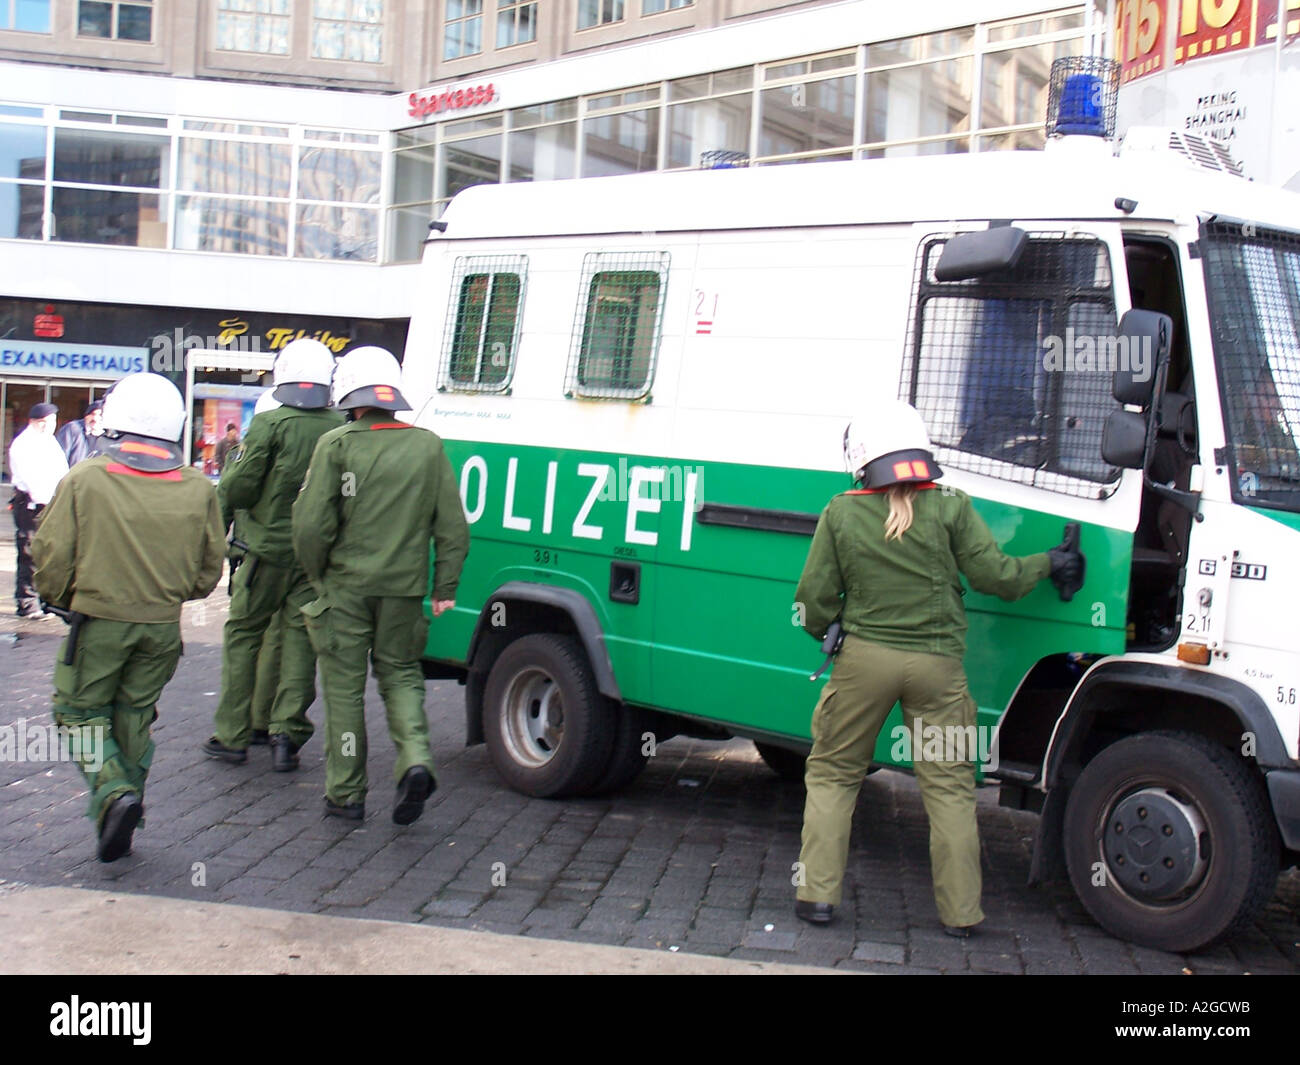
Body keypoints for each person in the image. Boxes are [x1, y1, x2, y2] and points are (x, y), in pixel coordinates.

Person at [792, 398, 1083, 936]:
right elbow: (999, 577)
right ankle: (961, 914)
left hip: (864, 666)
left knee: (833, 776)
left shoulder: (841, 510)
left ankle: (817, 897)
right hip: (938, 669)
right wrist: (1051, 563)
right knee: (948, 791)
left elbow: (810, 601)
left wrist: (827, 630)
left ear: (861, 457)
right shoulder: (951, 503)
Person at [31, 373, 224, 862]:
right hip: (161, 628)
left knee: (77, 712)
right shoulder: (197, 486)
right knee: (134, 716)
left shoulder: (86, 478)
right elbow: (207, 571)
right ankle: (122, 814)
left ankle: (114, 793)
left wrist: (58, 597)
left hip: (98, 622)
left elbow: (51, 555)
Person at [292, 346, 469, 825]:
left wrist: (317, 576)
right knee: (401, 675)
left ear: (348, 394)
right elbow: (453, 528)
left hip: (346, 589)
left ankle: (346, 794)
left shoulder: (336, 444)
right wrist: (444, 586)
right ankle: (415, 758)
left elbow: (311, 527)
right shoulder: (428, 445)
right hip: (405, 591)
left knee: (345, 689)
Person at [203, 341, 342, 771]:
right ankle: (287, 734)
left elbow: (239, 487)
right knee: (301, 641)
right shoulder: (341, 426)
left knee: (244, 636)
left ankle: (232, 735)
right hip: (314, 557)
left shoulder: (268, 423)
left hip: (264, 553)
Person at [8, 401, 69, 619]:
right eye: (50, 421)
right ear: (40, 423)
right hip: (33, 505)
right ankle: (27, 603)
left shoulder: (48, 441)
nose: (53, 426)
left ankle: (44, 600)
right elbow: (34, 480)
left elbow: (62, 471)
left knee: (47, 555)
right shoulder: (24, 444)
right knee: (30, 553)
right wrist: (50, 501)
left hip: (50, 503)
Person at [55, 399, 104, 466]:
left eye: (101, 415)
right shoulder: (72, 429)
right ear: (86, 416)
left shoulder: (110, 434)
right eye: (92, 414)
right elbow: (58, 457)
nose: (95, 418)